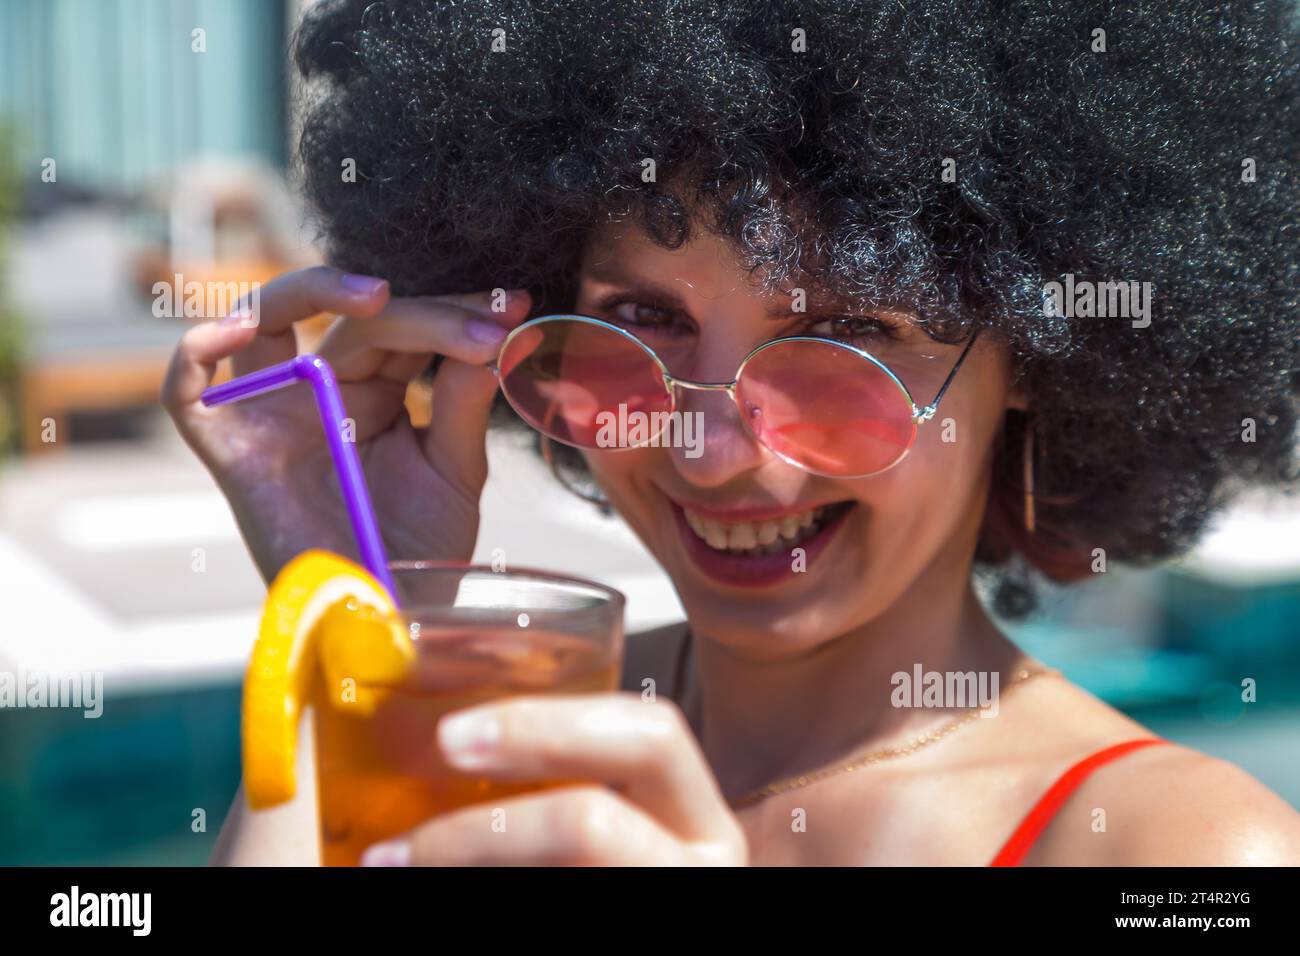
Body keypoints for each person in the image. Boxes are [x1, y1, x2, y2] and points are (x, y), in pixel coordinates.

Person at [162, 0, 1300, 865]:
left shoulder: (1180, 851)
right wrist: (353, 608)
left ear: (1037, 359)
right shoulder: (496, 727)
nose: (710, 448)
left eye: (848, 333)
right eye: (644, 318)